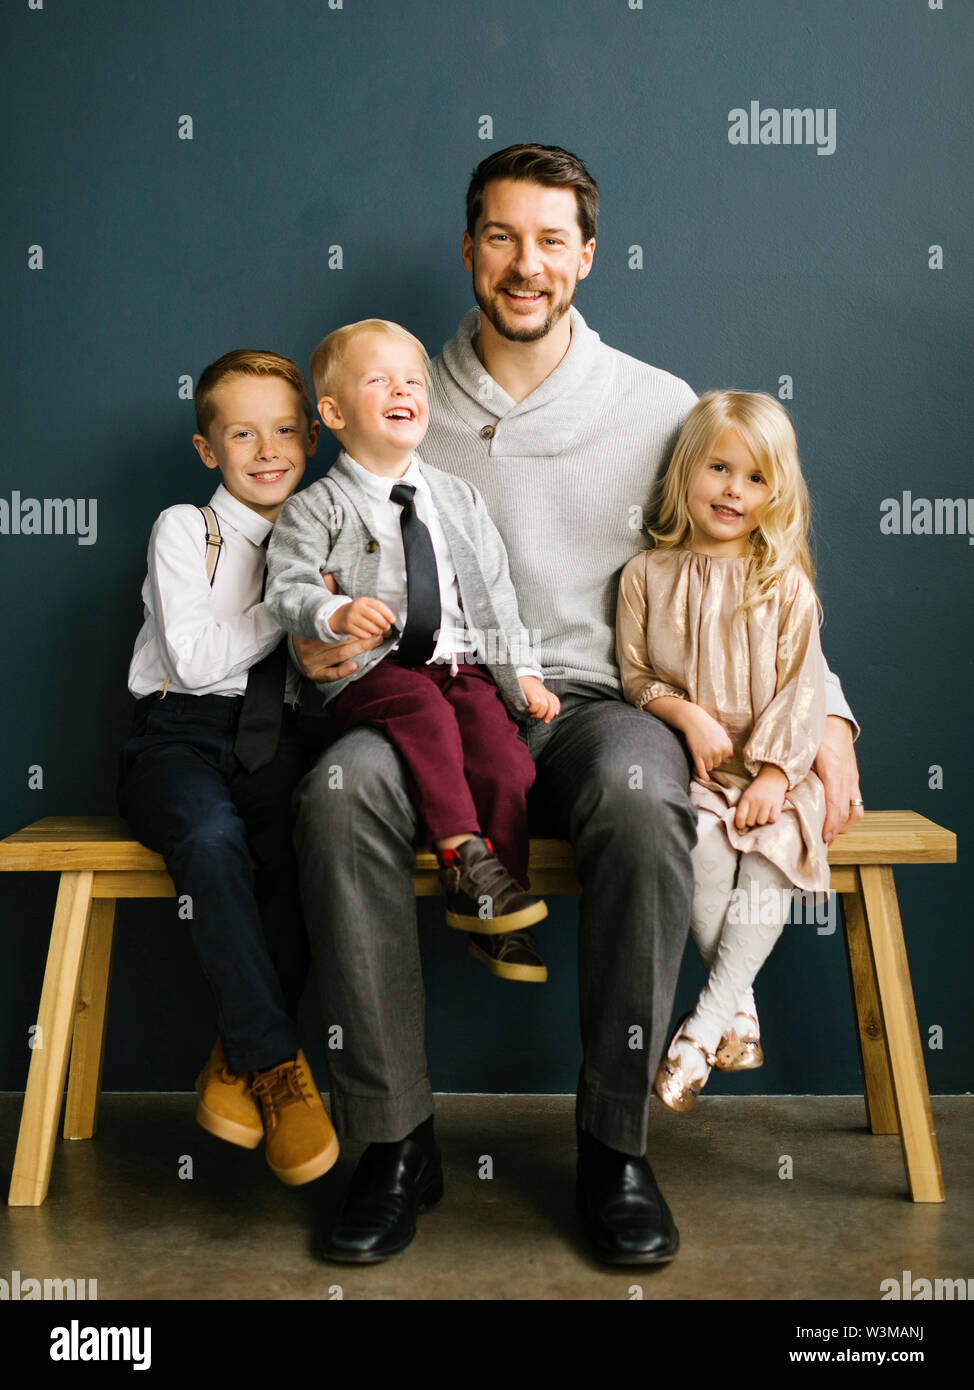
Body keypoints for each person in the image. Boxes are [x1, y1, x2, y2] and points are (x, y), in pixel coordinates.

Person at [289, 145, 864, 1266]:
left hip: (599, 702)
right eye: (500, 236)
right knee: (333, 788)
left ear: (586, 257)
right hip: (432, 697)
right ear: (467, 249)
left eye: (551, 240)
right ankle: (393, 1142)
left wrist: (830, 716)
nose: (524, 263)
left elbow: (744, 564)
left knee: (646, 790)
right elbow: (306, 548)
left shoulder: (653, 403)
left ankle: (616, 1145)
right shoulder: (394, 394)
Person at [264, 318, 559, 987]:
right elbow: (287, 587)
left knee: (505, 757)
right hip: (375, 669)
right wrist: (334, 612)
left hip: (460, 662)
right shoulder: (316, 510)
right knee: (423, 711)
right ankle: (462, 860)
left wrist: (526, 673)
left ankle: (500, 905)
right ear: (334, 412)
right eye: (380, 381)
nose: (405, 390)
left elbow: (497, 597)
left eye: (414, 380)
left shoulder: (458, 498)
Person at [116, 349, 339, 1187]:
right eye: (242, 434)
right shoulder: (186, 528)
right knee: (210, 838)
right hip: (178, 735)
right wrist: (295, 605)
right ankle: (281, 1072)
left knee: (306, 840)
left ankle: (237, 1056)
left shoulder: (326, 530)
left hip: (279, 738)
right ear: (210, 450)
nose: (268, 448)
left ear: (313, 436)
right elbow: (202, 659)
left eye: (285, 429)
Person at [616, 390, 832, 1110]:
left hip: (783, 770)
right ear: (686, 472)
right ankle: (738, 1013)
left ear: (777, 492)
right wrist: (685, 717)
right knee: (701, 844)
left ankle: (704, 1027)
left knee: (769, 848)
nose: (734, 490)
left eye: (755, 478)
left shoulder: (784, 584)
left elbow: (805, 689)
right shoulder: (647, 575)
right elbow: (637, 676)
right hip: (704, 771)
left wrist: (774, 772)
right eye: (718, 468)